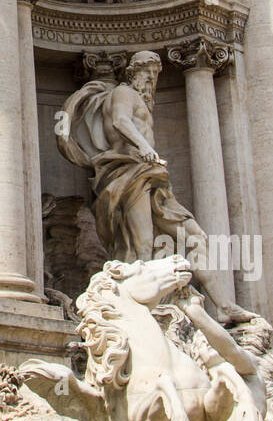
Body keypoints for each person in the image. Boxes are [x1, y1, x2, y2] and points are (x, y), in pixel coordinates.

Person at [57, 50, 244, 319]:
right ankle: (138, 313)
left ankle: (224, 306)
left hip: (152, 174)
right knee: (141, 246)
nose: (151, 80)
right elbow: (120, 121)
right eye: (148, 74)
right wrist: (143, 146)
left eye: (155, 75)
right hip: (129, 174)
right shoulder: (123, 93)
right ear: (134, 73)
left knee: (196, 237)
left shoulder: (144, 102)